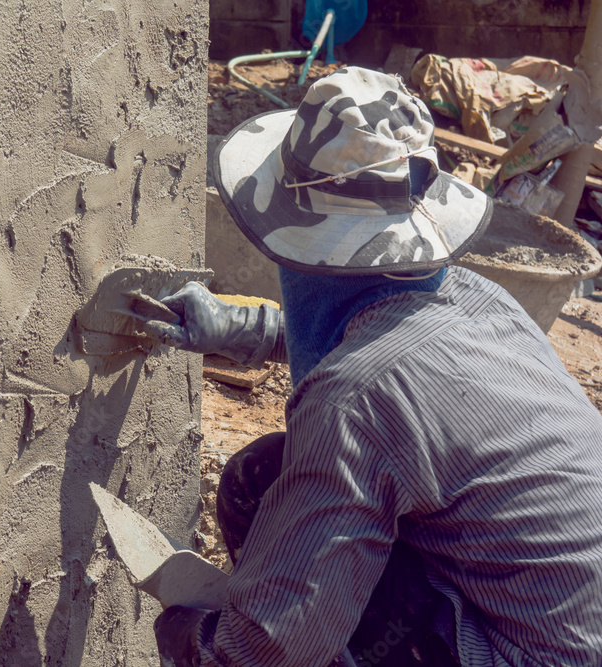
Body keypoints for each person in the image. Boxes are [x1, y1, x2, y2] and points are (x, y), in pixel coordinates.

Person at [138, 67, 602, 666]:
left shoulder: (351, 403)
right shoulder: (477, 297)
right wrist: (239, 329)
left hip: (543, 654)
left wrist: (192, 640)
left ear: (302, 239)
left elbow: (262, 653)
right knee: (265, 476)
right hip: (566, 616)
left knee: (270, 527)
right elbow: (392, 360)